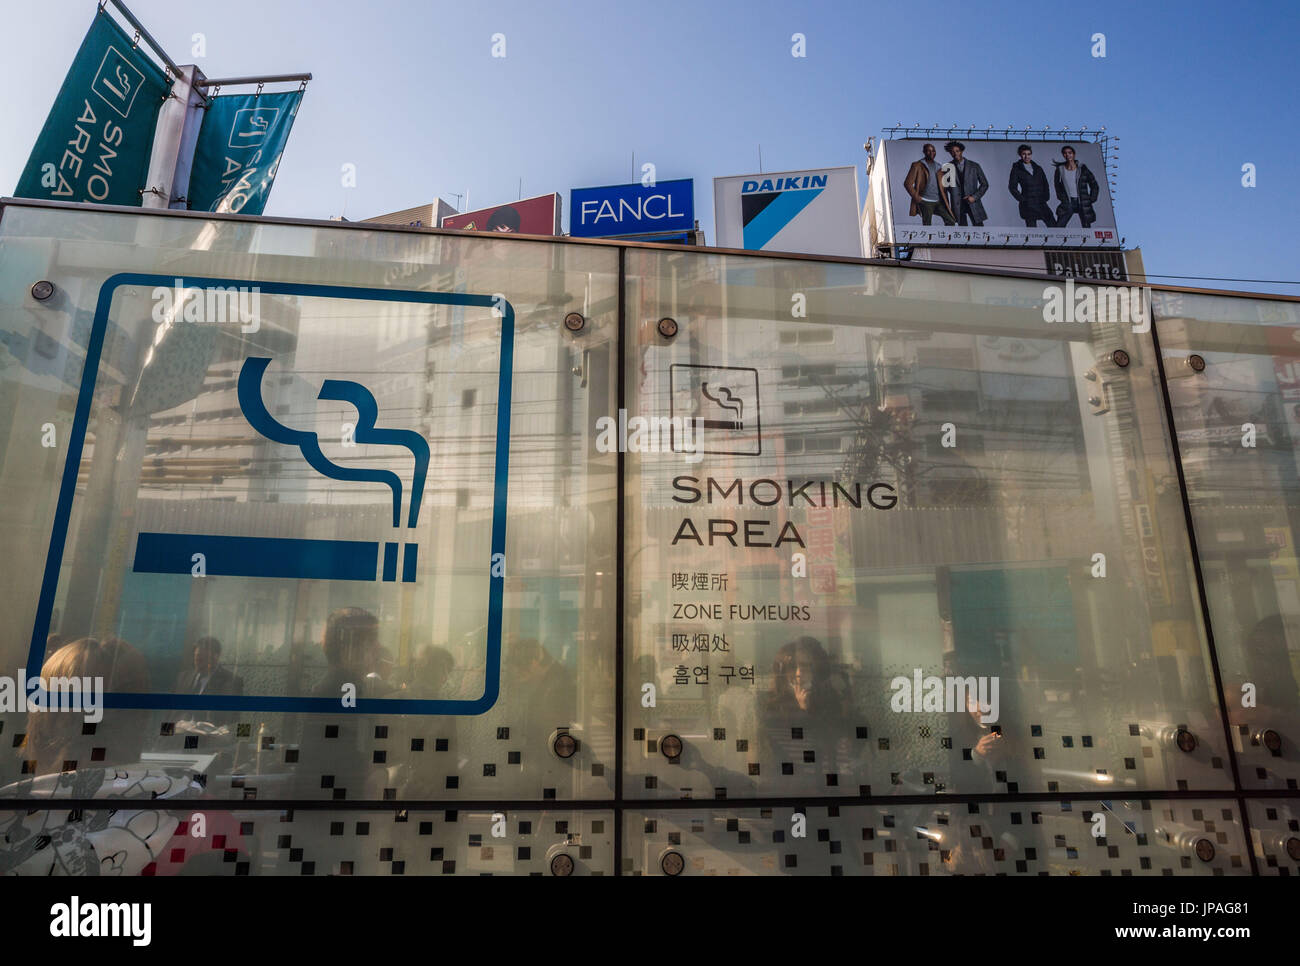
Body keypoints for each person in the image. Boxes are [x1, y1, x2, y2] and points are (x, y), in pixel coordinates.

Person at [903, 143, 956, 226]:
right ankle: (927, 239)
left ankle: (945, 238)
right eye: (928, 151)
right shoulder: (917, 165)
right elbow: (907, 183)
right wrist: (917, 198)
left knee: (951, 221)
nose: (931, 153)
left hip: (938, 201)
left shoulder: (939, 166)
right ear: (924, 152)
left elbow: (943, 185)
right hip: (925, 201)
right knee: (927, 225)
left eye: (933, 151)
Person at [173, 636, 243, 695]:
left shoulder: (232, 682)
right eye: (196, 657)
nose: (197, 663)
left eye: (203, 658)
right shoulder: (183, 678)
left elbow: (229, 710)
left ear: (216, 657)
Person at [1007, 144, 1055, 228]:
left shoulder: (1038, 168)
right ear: (1020, 155)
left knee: (1053, 226)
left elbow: (1045, 184)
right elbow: (1012, 187)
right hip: (1028, 204)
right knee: (1031, 230)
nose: (1026, 156)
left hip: (1041, 202)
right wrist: (1023, 200)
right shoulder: (1016, 169)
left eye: (1029, 154)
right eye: (1024, 154)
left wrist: (1046, 197)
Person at [1052, 145, 1100, 228]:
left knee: (1086, 228)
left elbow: (1094, 184)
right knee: (1059, 226)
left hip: (1082, 201)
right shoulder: (1060, 169)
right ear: (1063, 155)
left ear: (1074, 154)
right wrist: (1062, 198)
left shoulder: (1082, 168)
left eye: (1070, 153)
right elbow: (1057, 186)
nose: (1067, 155)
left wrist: (1091, 198)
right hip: (1068, 202)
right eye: (1065, 153)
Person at [943, 141, 989, 226]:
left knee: (979, 228)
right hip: (958, 203)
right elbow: (945, 187)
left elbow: (985, 184)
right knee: (962, 230)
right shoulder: (947, 167)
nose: (955, 153)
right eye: (952, 152)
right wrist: (955, 194)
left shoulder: (974, 166)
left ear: (961, 151)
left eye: (957, 151)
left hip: (972, 201)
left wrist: (974, 197)